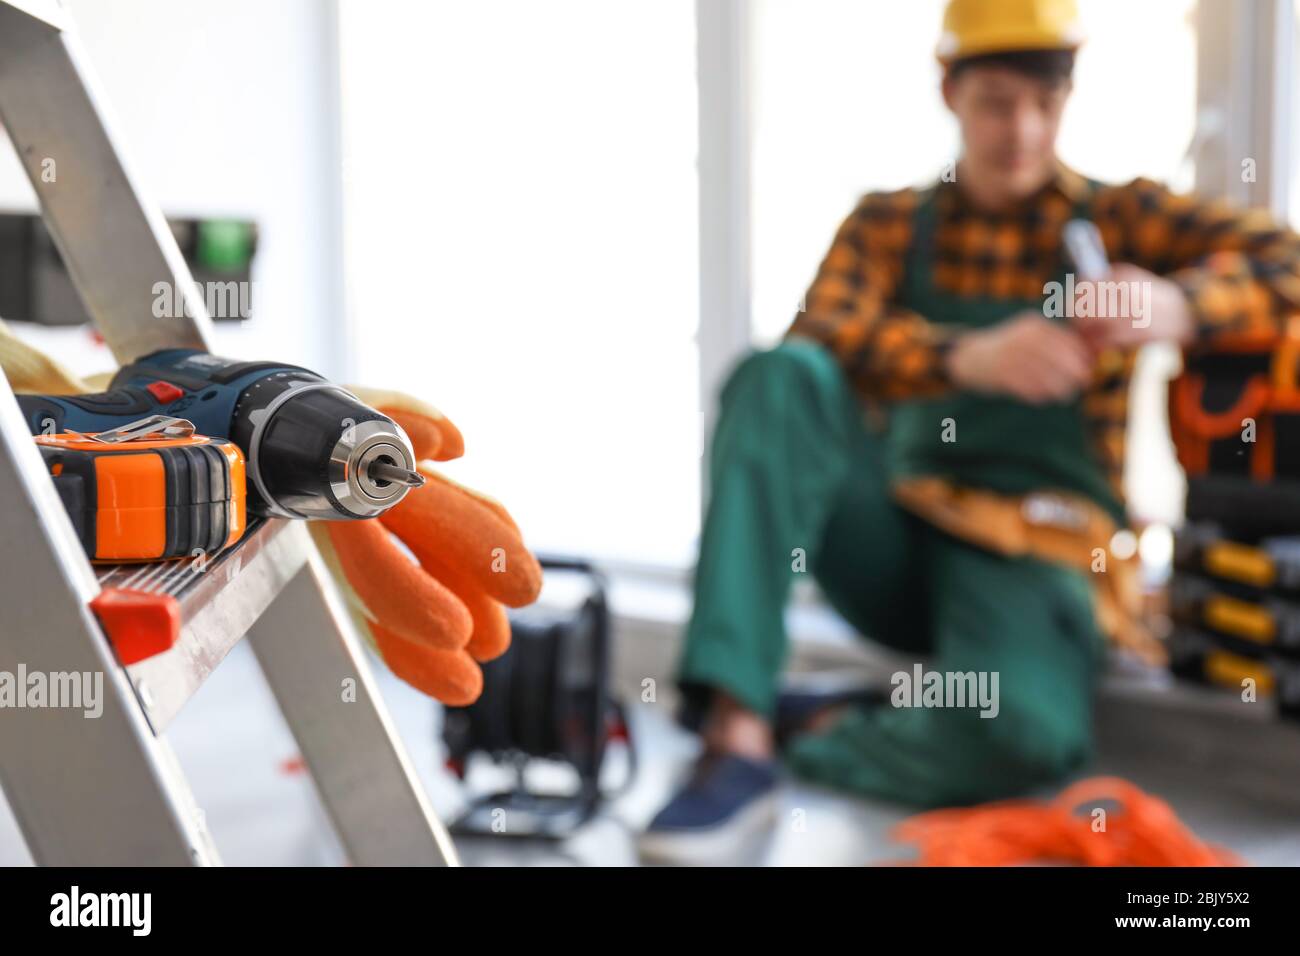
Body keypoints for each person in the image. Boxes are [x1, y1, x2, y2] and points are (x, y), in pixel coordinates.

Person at [638, 0, 1300, 865]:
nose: (1021, 131)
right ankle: (737, 730)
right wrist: (965, 357)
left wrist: (1179, 304)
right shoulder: (887, 224)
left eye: (1044, 102)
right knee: (778, 376)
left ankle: (826, 719)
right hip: (902, 538)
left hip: (1037, 556)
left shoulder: (1123, 219)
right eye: (995, 101)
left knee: (1022, 738)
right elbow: (821, 336)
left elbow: (1284, 261)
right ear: (948, 90)